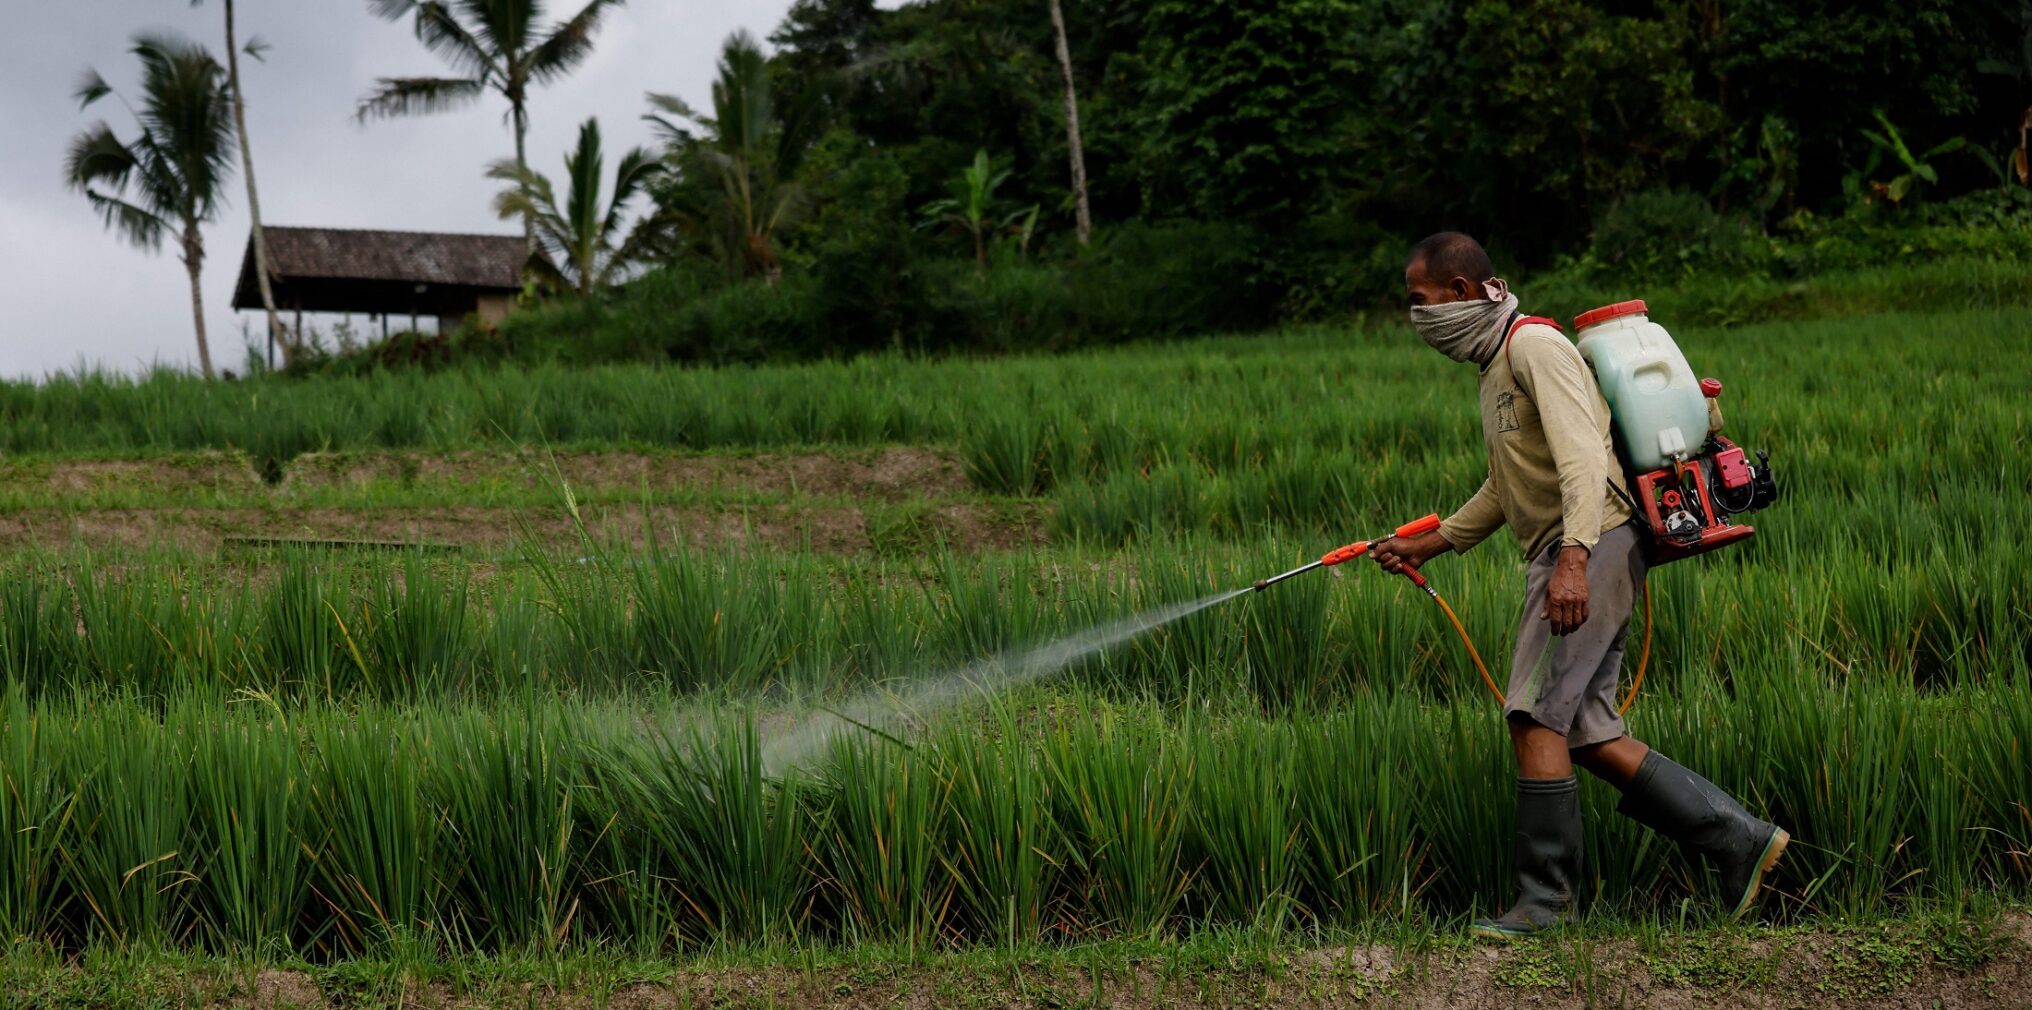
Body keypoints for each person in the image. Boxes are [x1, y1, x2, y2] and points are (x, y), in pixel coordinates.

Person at [1370, 231, 1787, 940]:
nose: (1418, 318)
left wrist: (1571, 561)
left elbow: (1583, 460)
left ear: (1464, 293)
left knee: (1532, 717)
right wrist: (1431, 542)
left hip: (1589, 544)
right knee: (1588, 731)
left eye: (1421, 301)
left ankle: (1545, 904)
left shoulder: (1533, 347)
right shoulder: (1495, 364)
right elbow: (1508, 485)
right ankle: (1743, 842)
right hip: (1584, 545)